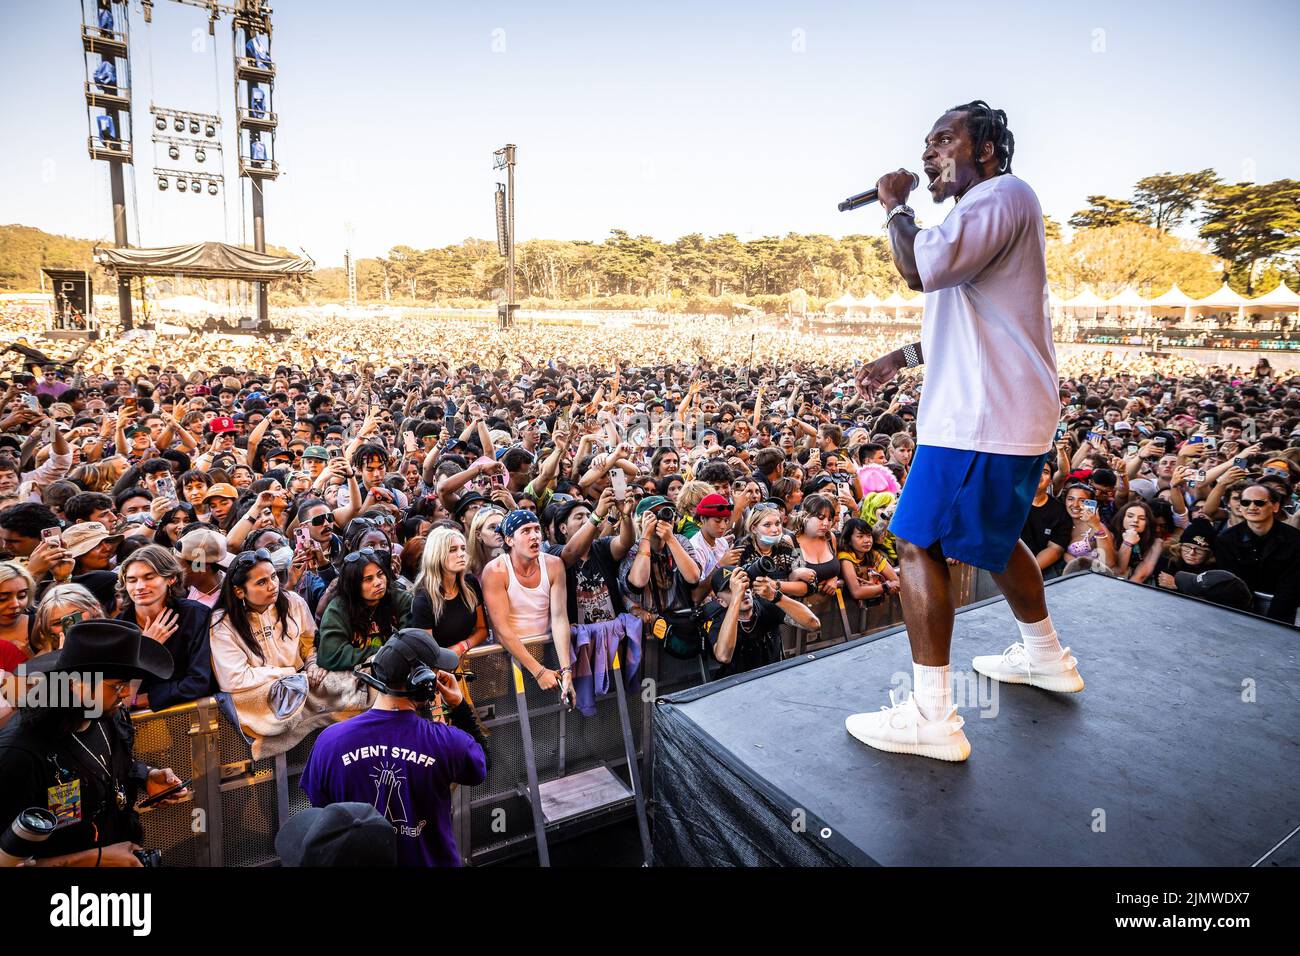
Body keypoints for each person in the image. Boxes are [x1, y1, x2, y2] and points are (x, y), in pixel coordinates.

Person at [847, 100, 1081, 764]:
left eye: (943, 140)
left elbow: (919, 269)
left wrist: (893, 206)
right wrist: (901, 357)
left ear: (985, 150)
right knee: (995, 537)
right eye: (924, 143)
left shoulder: (1000, 196)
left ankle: (930, 717)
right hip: (1006, 413)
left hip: (979, 419)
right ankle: (1046, 657)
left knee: (915, 539)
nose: (927, 155)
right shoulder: (986, 213)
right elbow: (976, 321)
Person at [0, 619, 189, 866]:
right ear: (73, 683)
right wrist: (97, 859)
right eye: (118, 686)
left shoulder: (109, 712)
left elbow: (113, 763)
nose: (127, 695)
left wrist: (146, 775)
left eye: (129, 683)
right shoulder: (19, 753)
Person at [297, 630, 486, 867]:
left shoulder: (329, 742)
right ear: (425, 682)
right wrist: (458, 707)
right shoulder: (447, 742)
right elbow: (481, 766)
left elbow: (321, 808)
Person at [480, 510, 575, 705]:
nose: (534, 536)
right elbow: (502, 628)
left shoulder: (554, 565)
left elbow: (559, 618)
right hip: (511, 659)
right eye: (525, 531)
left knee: (557, 717)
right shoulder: (496, 570)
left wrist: (566, 670)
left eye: (537, 530)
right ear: (509, 540)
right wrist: (538, 672)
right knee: (519, 721)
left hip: (549, 652)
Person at [115, 544, 215, 711]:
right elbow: (121, 689)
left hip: (191, 715)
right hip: (135, 724)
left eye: (149, 577)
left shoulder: (195, 615)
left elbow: (200, 681)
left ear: (171, 579)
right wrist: (146, 649)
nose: (139, 586)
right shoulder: (119, 627)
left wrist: (148, 698)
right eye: (132, 580)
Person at [706, 567, 820, 678]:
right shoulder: (718, 620)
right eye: (731, 590)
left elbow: (813, 624)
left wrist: (775, 595)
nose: (743, 591)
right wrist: (736, 597)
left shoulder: (765, 605)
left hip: (774, 676)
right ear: (721, 601)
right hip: (739, 686)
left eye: (743, 583)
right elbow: (723, 656)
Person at [1212, 483, 1300, 624]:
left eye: (1259, 503)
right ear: (1240, 506)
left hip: (1284, 614)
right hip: (1240, 612)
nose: (1252, 507)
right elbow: (1232, 583)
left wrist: (1272, 624)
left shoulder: (1295, 540)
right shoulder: (1226, 540)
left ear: (1275, 506)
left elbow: (1291, 586)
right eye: (1246, 502)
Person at [316, 546, 414, 671]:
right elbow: (330, 655)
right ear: (353, 585)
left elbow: (410, 644)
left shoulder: (400, 599)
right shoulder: (338, 609)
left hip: (396, 669)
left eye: (380, 574)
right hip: (355, 675)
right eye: (368, 579)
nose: (378, 582)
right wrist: (385, 651)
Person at [411, 527, 488, 659]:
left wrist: (462, 646)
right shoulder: (424, 599)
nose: (461, 554)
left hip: (472, 661)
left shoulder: (470, 583)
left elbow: (482, 630)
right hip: (441, 669)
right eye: (453, 550)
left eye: (463, 548)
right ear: (436, 554)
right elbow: (428, 652)